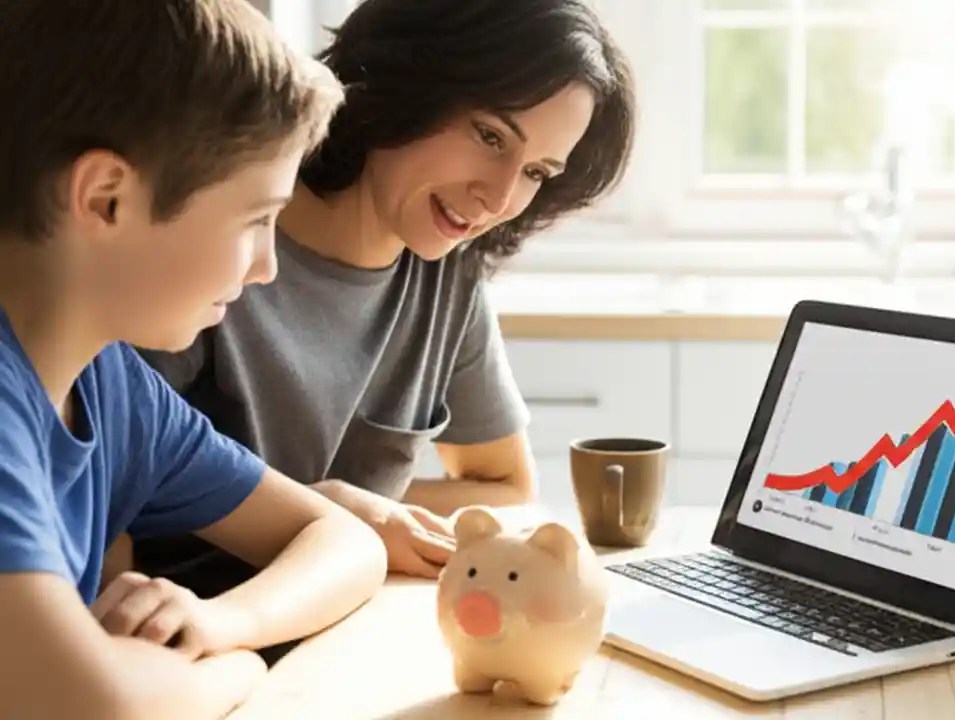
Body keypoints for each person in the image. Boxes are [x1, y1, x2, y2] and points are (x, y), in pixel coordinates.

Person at [132, 0, 636, 596]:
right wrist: (325, 512)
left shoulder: (446, 274)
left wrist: (370, 515)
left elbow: (504, 484)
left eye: (536, 172)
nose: (499, 198)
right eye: (489, 135)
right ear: (406, 82)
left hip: (338, 617)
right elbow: (111, 489)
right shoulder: (222, 241)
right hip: (186, 628)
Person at [0, 2, 388, 718]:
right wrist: (236, 668)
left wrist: (221, 622)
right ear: (107, 198)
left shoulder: (108, 384)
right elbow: (94, 704)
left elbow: (346, 542)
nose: (268, 265)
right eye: (255, 220)